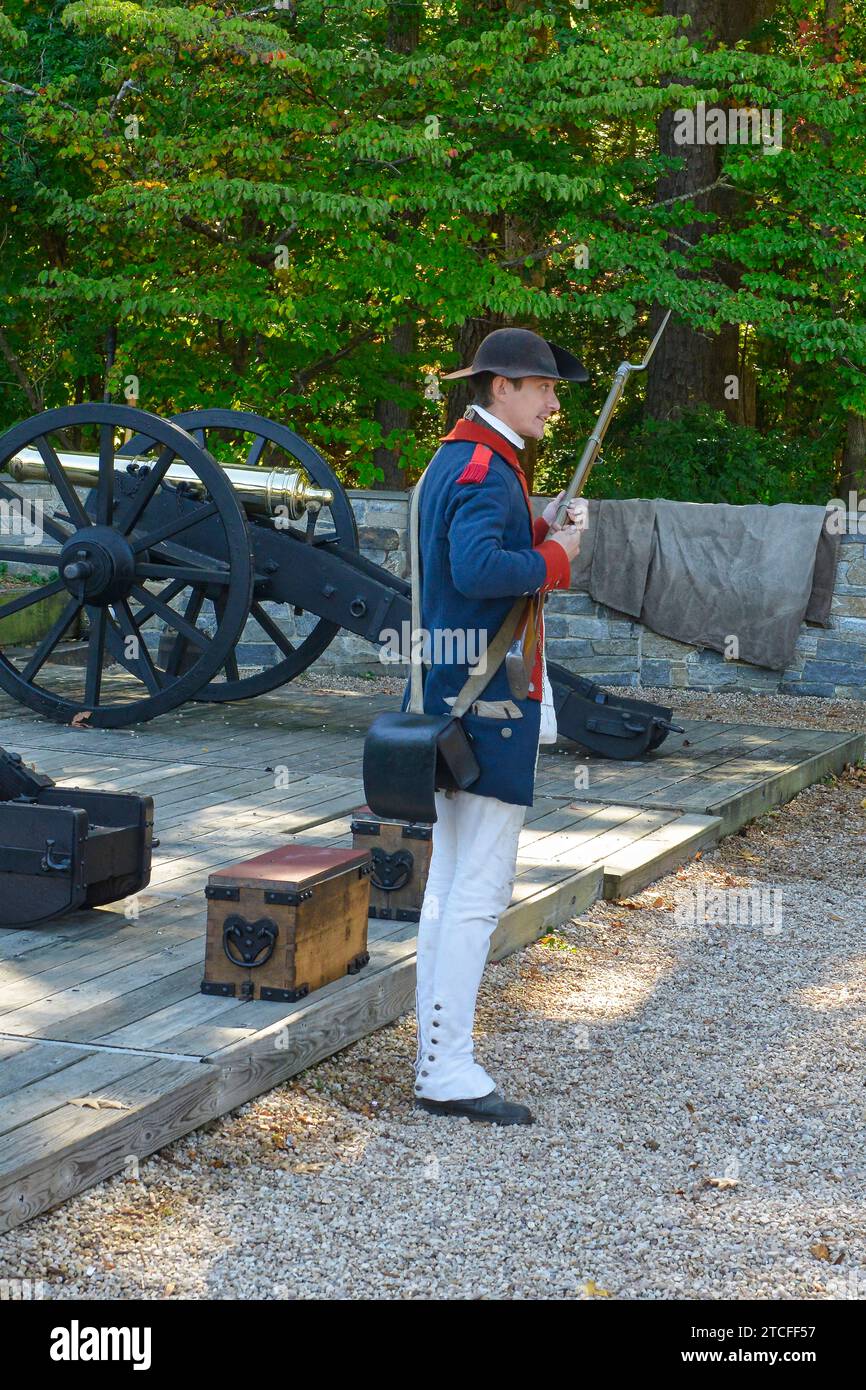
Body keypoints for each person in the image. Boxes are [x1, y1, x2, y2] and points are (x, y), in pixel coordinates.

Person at [406, 327, 588, 1126]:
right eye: (544, 387)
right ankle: (446, 1069)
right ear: (503, 386)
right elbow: (477, 571)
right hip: (485, 703)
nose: (553, 403)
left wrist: (538, 532)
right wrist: (559, 558)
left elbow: (471, 563)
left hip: (452, 696)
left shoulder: (466, 457)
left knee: (449, 888)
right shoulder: (486, 468)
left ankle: (435, 1058)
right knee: (473, 891)